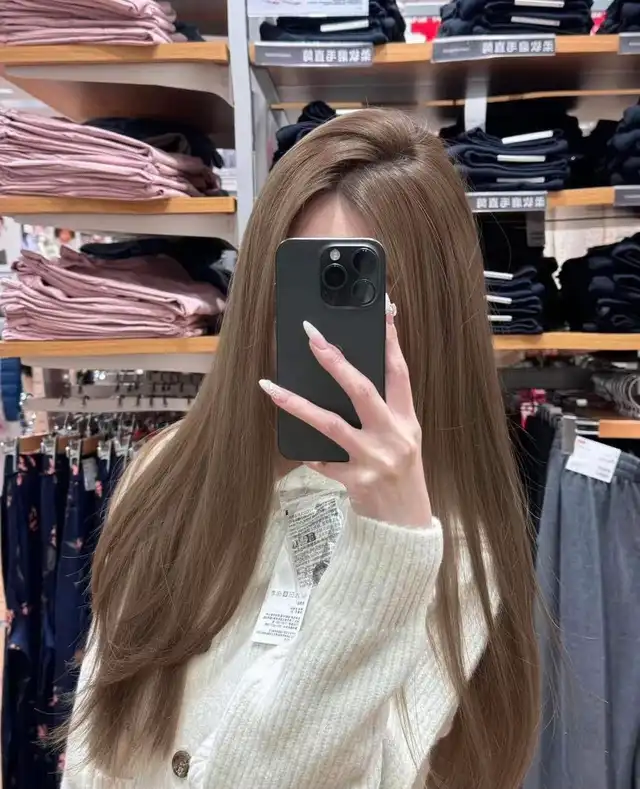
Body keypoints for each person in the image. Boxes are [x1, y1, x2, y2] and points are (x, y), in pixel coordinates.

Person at [62, 109, 539, 789]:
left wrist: (385, 551)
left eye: (366, 301)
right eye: (301, 286)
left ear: (427, 318)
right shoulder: (167, 470)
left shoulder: (450, 549)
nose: (323, 337)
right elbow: (93, 744)